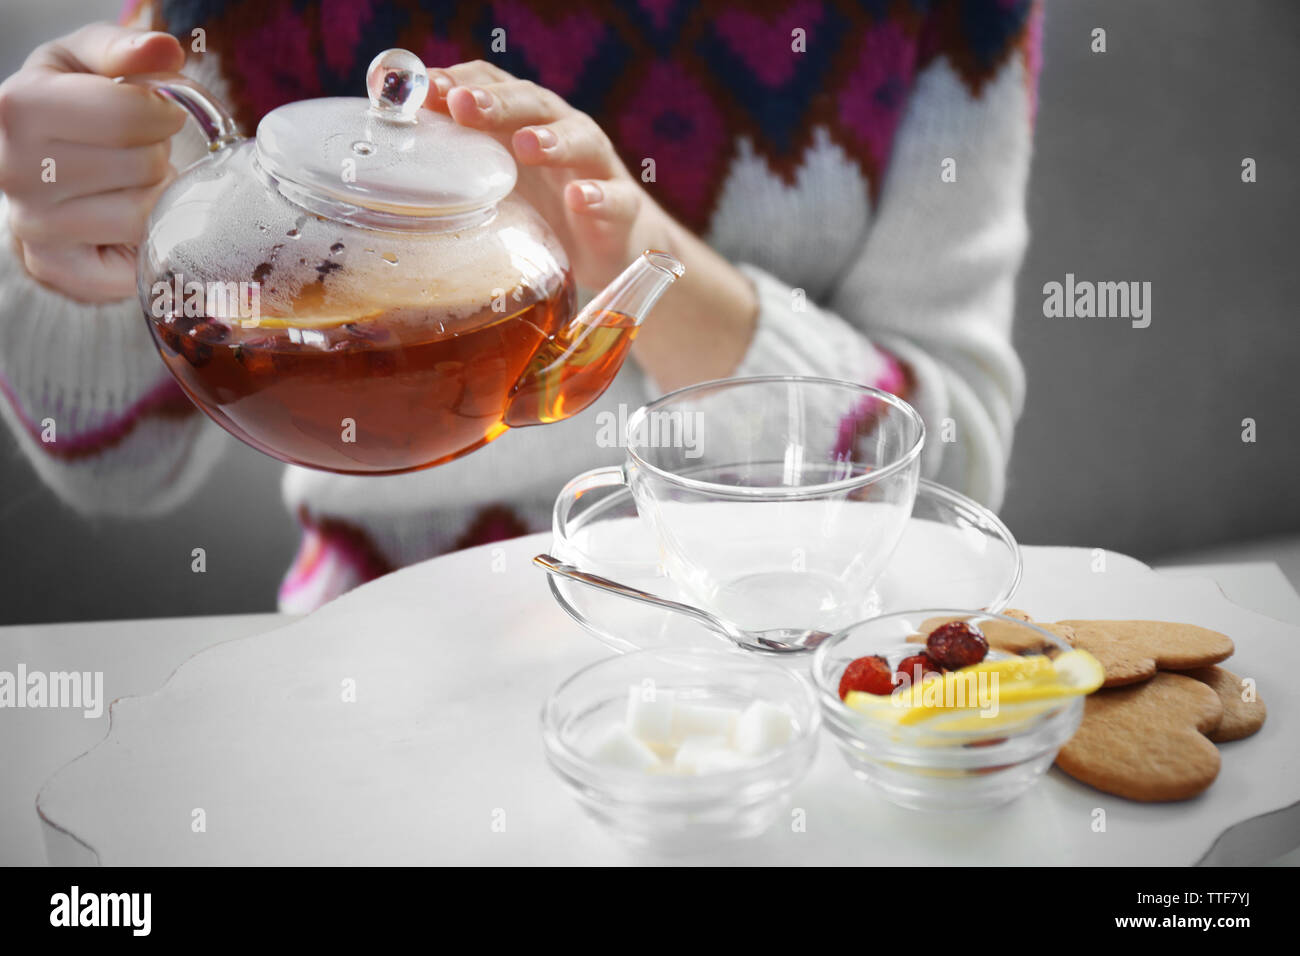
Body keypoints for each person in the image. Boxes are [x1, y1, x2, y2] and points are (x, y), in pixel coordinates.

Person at [0, 0, 1041, 612]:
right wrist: (66, 230)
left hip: (779, 661)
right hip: (375, 661)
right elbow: (110, 458)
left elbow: (947, 467)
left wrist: (636, 249)